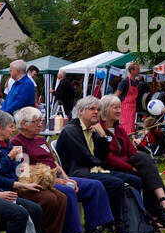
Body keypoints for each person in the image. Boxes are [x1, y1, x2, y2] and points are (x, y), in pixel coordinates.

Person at [10, 107, 113, 233]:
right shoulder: (17, 144)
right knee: (67, 190)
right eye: (37, 121)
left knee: (95, 185)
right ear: (24, 124)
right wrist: (54, 180)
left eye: (41, 121)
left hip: (57, 177)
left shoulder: (40, 140)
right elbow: (26, 172)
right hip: (42, 181)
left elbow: (54, 162)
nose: (41, 124)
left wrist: (65, 177)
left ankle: (92, 229)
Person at [0, 110, 68, 233]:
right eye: (10, 126)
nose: (13, 130)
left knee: (61, 197)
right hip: (8, 187)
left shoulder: (9, 145)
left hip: (21, 182)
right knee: (48, 198)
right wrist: (10, 158)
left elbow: (19, 168)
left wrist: (23, 168)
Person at [98, 94, 165, 226]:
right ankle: (157, 210)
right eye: (115, 108)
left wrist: (136, 161)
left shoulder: (119, 130)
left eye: (120, 107)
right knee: (143, 175)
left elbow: (131, 150)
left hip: (125, 163)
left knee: (143, 159)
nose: (119, 111)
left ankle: (158, 206)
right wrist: (130, 168)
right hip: (109, 167)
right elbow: (108, 158)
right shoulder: (100, 130)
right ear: (105, 109)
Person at [55, 96, 132, 224]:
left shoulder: (94, 129)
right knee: (116, 183)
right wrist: (102, 163)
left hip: (95, 168)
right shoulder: (71, 130)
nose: (96, 112)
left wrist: (103, 136)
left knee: (135, 179)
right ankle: (114, 222)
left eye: (98, 109)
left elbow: (103, 155)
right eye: (92, 109)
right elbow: (83, 158)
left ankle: (137, 216)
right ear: (80, 111)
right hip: (79, 171)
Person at [115, 62, 147, 136]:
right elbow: (117, 95)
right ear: (132, 71)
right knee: (126, 126)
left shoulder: (136, 82)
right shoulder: (124, 81)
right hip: (125, 107)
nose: (139, 71)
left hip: (133, 106)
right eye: (137, 69)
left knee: (131, 126)